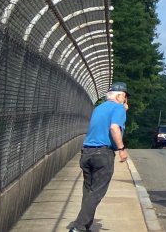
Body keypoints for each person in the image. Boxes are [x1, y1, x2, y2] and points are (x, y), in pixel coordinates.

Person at [69, 82, 129, 232]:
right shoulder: (118, 108)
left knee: (89, 191)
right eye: (126, 96)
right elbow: (114, 127)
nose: (126, 100)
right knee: (97, 191)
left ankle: (85, 226)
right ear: (120, 95)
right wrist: (121, 148)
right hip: (103, 153)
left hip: (87, 152)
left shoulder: (99, 108)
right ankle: (79, 226)